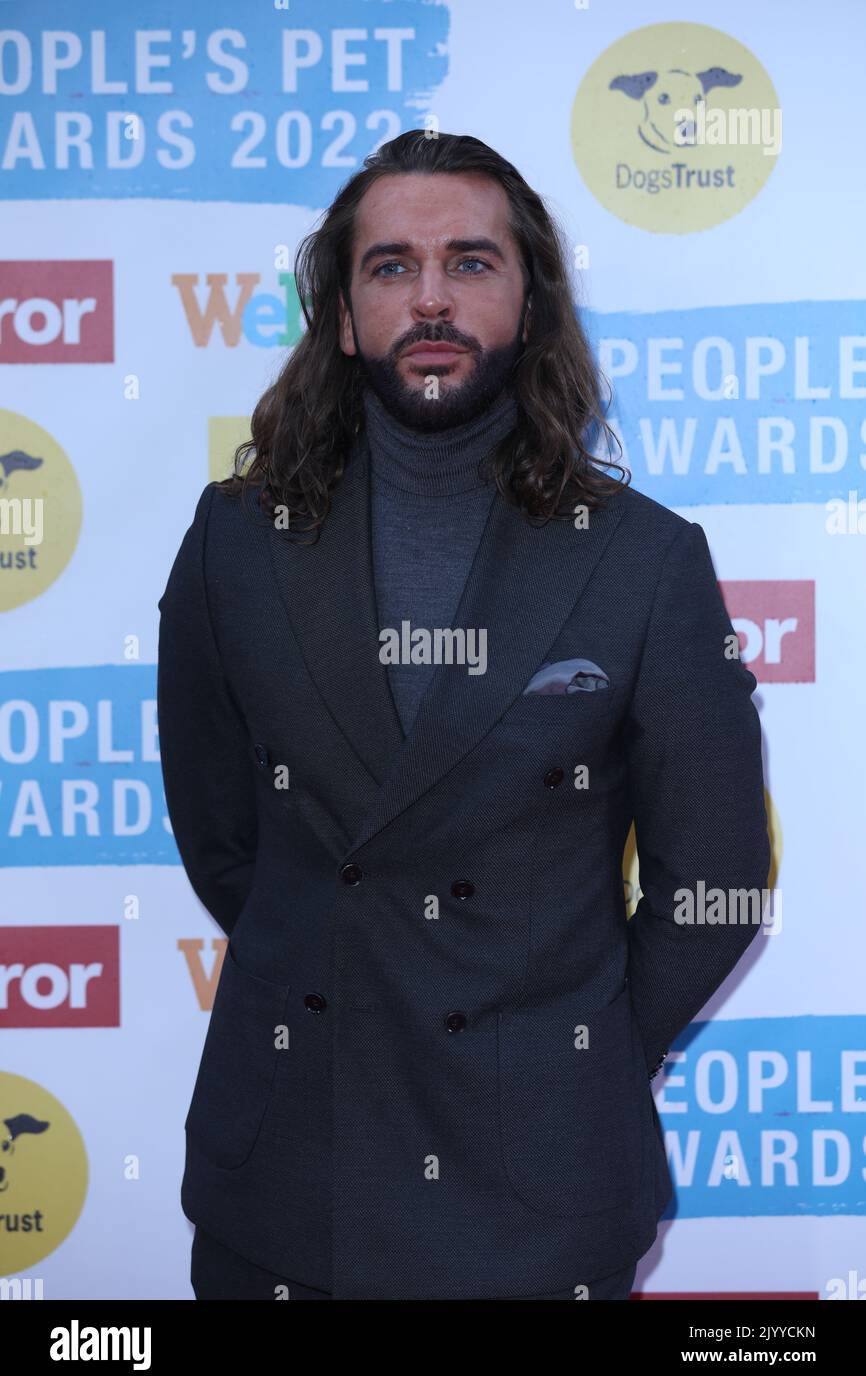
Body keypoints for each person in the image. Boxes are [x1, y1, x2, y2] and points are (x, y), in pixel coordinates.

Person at [157, 131, 771, 1301]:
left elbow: (717, 881)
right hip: (286, 1182)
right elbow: (223, 834)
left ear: (528, 301)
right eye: (389, 267)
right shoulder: (233, 540)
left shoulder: (643, 563)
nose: (429, 296)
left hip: (532, 1202)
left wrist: (561, 1055)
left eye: (470, 263)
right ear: (340, 316)